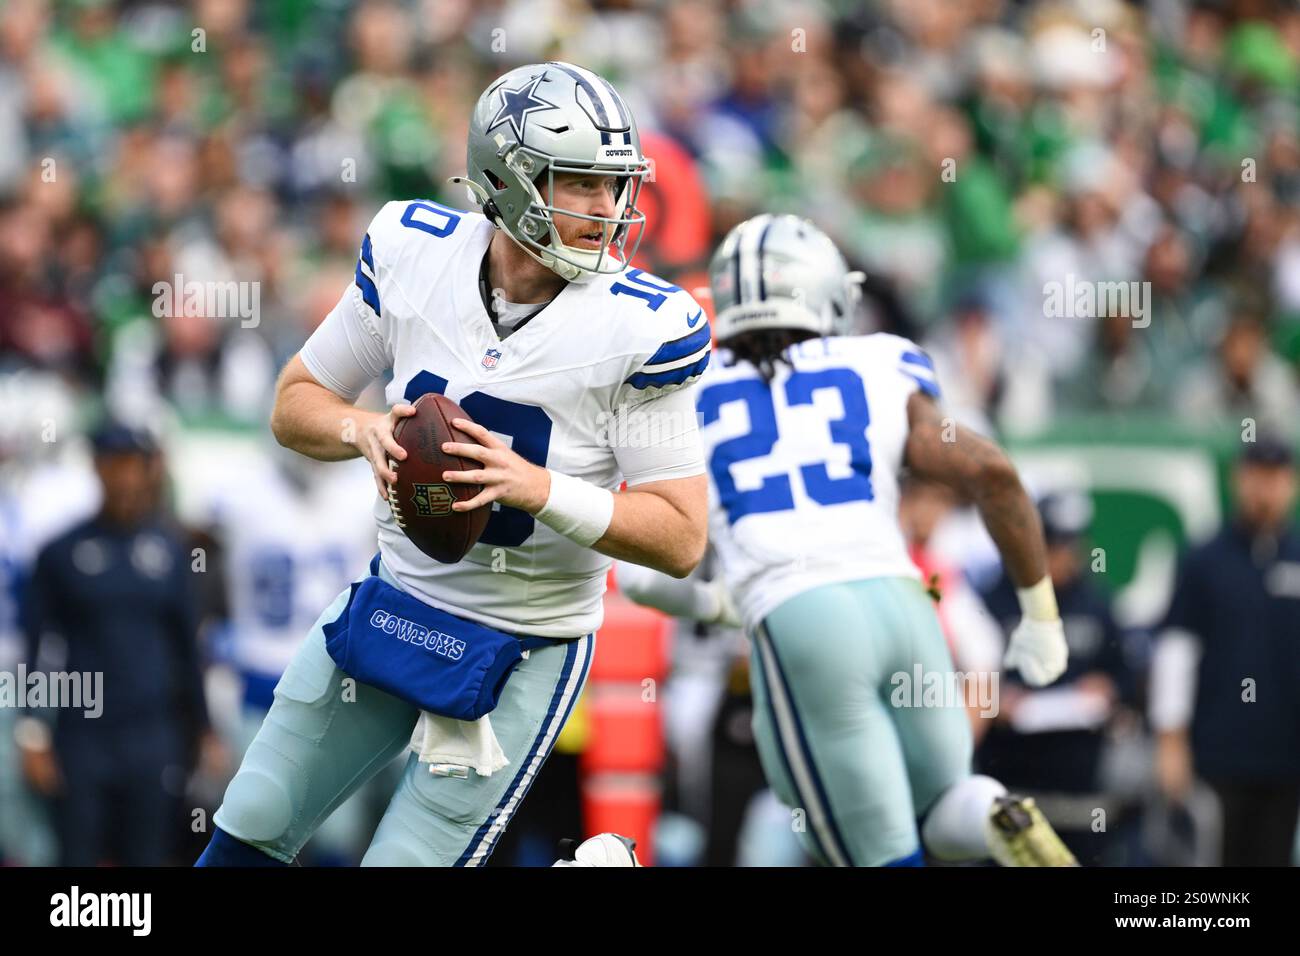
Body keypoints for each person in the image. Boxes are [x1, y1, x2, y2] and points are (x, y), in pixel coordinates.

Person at [196, 61, 711, 867]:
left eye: (616, 187)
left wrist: (536, 488)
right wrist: (361, 429)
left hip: (525, 643)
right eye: (580, 184)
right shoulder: (413, 253)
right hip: (398, 599)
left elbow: (681, 537)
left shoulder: (641, 327)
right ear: (510, 179)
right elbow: (294, 403)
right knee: (252, 817)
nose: (607, 210)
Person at [664, 213, 1076, 866]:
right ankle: (997, 816)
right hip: (901, 602)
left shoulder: (685, 392)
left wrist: (713, 604)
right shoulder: (879, 360)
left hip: (801, 613)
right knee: (945, 807)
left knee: (873, 855)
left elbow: (645, 571)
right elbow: (993, 473)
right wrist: (1041, 614)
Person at [19, 420, 217, 865]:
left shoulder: (171, 551)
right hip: (83, 734)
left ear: (148, 470)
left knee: (149, 853)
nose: (124, 476)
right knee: (77, 854)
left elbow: (189, 648)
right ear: (96, 468)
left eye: (132, 464)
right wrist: (31, 731)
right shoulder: (61, 552)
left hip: (153, 734)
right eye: (113, 464)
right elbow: (36, 647)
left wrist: (204, 730)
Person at [1150, 436, 1300, 866]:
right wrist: (1171, 738)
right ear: (1238, 480)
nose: (1265, 490)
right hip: (1219, 753)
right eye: (1256, 476)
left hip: (1286, 755)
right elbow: (1174, 650)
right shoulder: (1205, 560)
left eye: (1275, 478)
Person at [976, 491, 1137, 865]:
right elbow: (953, 676)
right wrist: (992, 701)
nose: (1064, 557)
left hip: (1079, 794)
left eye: (1071, 546)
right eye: (1052, 546)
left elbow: (1127, 673)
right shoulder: (992, 602)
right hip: (1007, 783)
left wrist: (1109, 689)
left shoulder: (1096, 604)